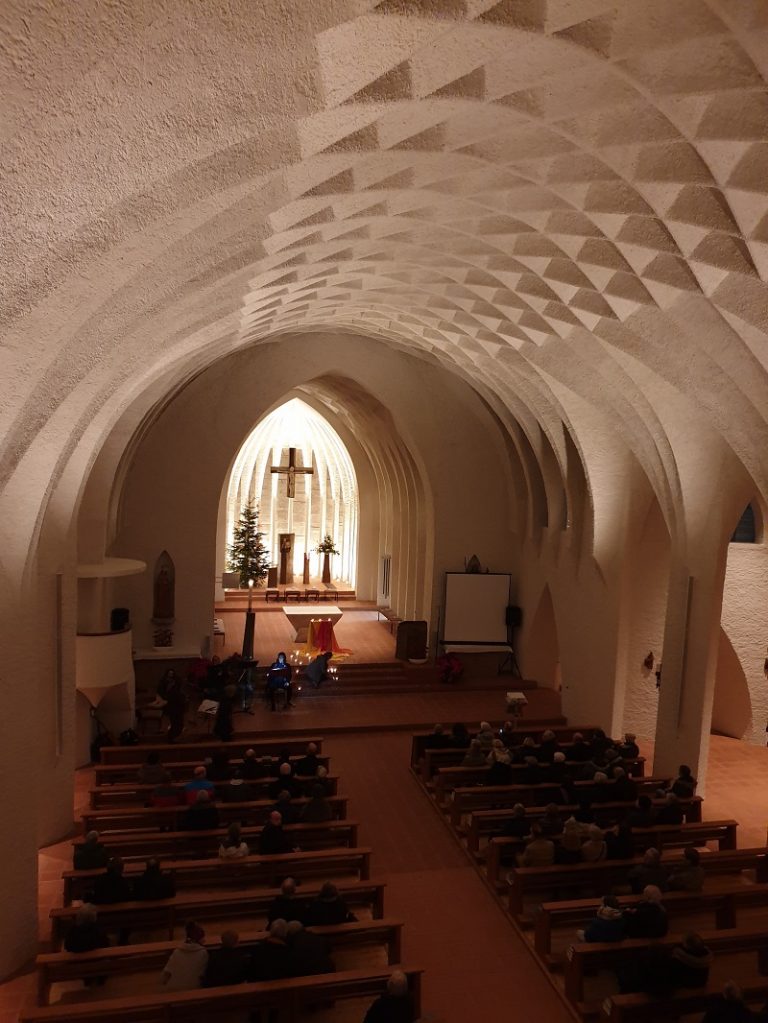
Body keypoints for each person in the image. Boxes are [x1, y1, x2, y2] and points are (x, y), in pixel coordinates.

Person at [161, 920, 209, 991]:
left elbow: (164, 978)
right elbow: (203, 975)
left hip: (174, 990)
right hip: (193, 990)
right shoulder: (203, 953)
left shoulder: (177, 952)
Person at [164, 675, 187, 743]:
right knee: (177, 725)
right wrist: (184, 699)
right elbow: (179, 700)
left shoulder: (172, 689)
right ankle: (173, 739)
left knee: (175, 725)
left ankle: (172, 738)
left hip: (174, 710)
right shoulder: (175, 691)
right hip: (176, 710)